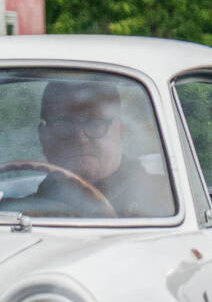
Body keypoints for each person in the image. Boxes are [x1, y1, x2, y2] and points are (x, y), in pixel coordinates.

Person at [33, 78, 173, 217]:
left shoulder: (165, 199)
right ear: (42, 136)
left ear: (120, 131)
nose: (80, 138)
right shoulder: (20, 216)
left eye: (95, 123)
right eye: (63, 125)